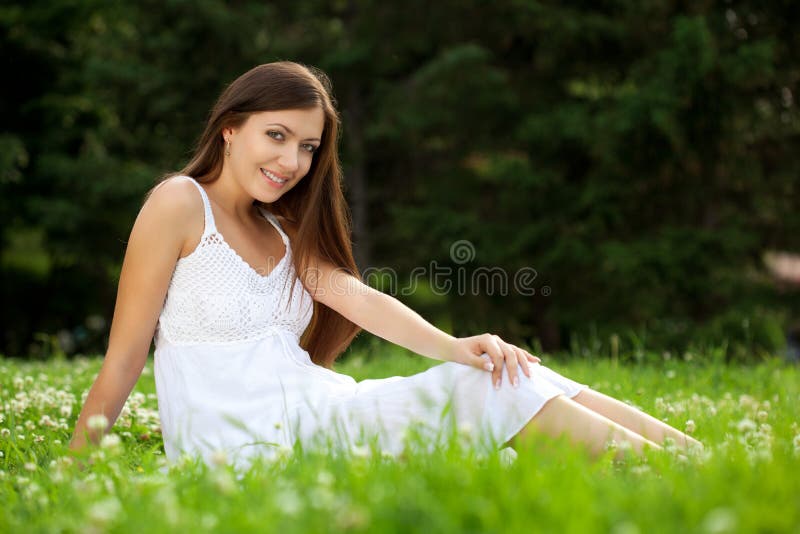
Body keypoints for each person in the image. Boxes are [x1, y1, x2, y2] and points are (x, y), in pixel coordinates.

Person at [68, 61, 701, 470]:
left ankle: (695, 459)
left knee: (499, 375)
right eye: (277, 135)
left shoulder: (282, 231)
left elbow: (360, 299)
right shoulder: (179, 204)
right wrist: (74, 467)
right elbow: (125, 359)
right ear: (231, 128)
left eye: (308, 147)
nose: (292, 161)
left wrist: (456, 345)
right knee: (483, 392)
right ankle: (685, 475)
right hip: (243, 446)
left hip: (316, 411)